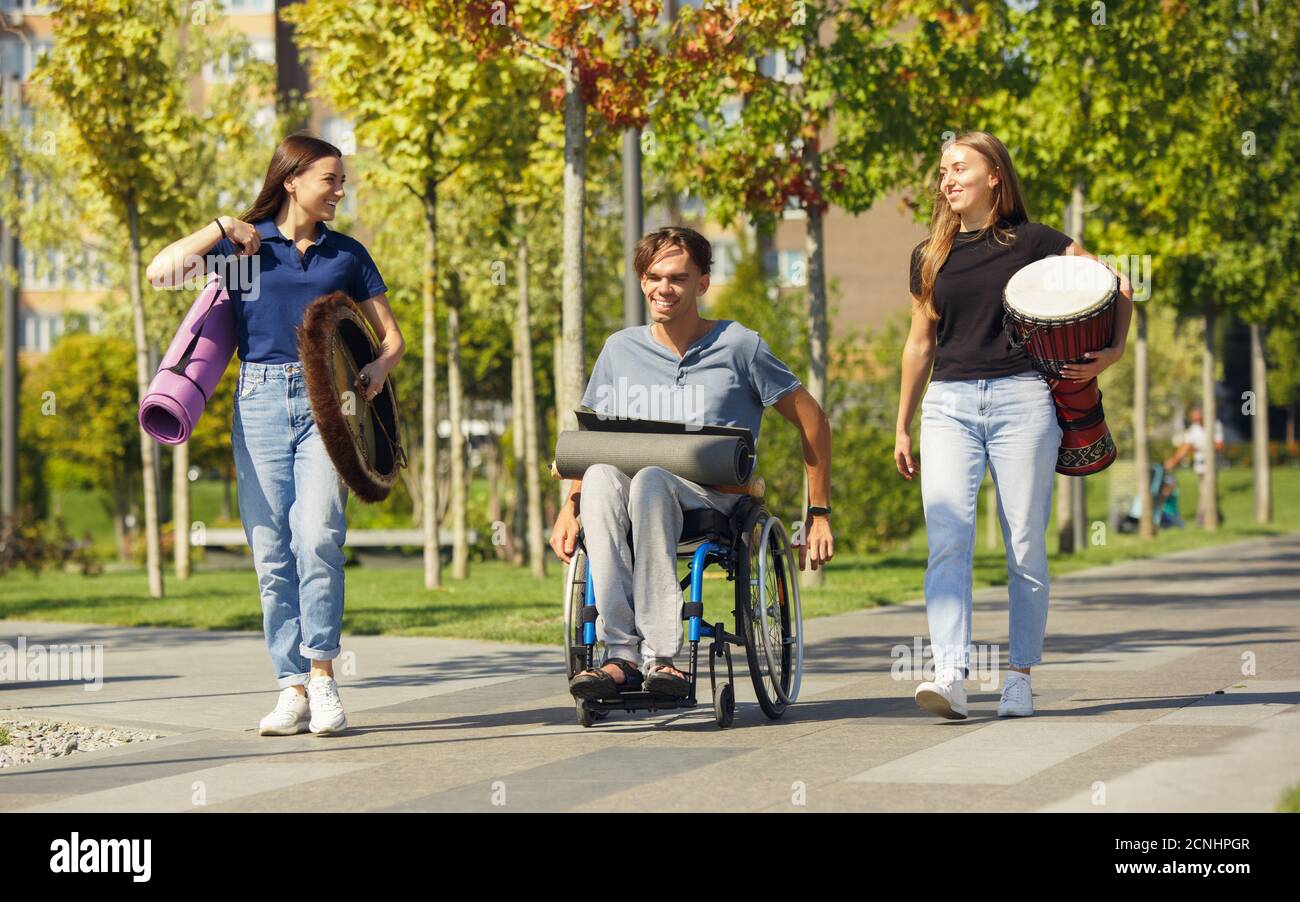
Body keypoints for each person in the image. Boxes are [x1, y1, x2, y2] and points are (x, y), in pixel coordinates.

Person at [146, 133, 405, 736]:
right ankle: (289, 687)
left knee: (317, 536)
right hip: (259, 399)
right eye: (330, 180)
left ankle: (323, 678)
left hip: (329, 402)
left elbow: (391, 338)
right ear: (292, 180)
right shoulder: (244, 248)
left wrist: (379, 367)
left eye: (342, 181)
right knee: (271, 552)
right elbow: (161, 273)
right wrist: (219, 226)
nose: (340, 190)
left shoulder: (348, 254)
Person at [893, 131, 1133, 720]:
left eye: (959, 168)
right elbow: (920, 343)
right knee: (948, 539)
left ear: (994, 176)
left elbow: (1118, 284)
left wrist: (1114, 350)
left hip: (1023, 400)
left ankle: (1020, 676)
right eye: (943, 171)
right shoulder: (929, 255)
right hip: (947, 405)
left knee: (1024, 542)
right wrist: (902, 424)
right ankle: (951, 674)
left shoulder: (1036, 242)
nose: (947, 179)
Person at [550, 226, 834, 700]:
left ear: (702, 283)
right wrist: (569, 506)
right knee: (603, 474)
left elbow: (813, 421)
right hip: (635, 494)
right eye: (654, 276)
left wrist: (818, 512)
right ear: (642, 281)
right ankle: (621, 654)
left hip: (714, 499)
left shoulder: (740, 346)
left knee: (652, 482)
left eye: (679, 278)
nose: (665, 288)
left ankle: (667, 658)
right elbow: (593, 442)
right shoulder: (620, 349)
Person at [1165, 406, 1225, 527]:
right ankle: (1214, 517)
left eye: (1199, 419)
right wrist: (1173, 461)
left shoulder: (1215, 425)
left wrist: (1202, 447)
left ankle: (1203, 519)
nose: (1197, 421)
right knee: (1206, 492)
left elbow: (1219, 446)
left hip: (1212, 465)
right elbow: (1185, 447)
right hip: (1200, 466)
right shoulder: (1194, 429)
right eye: (1195, 419)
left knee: (1207, 492)